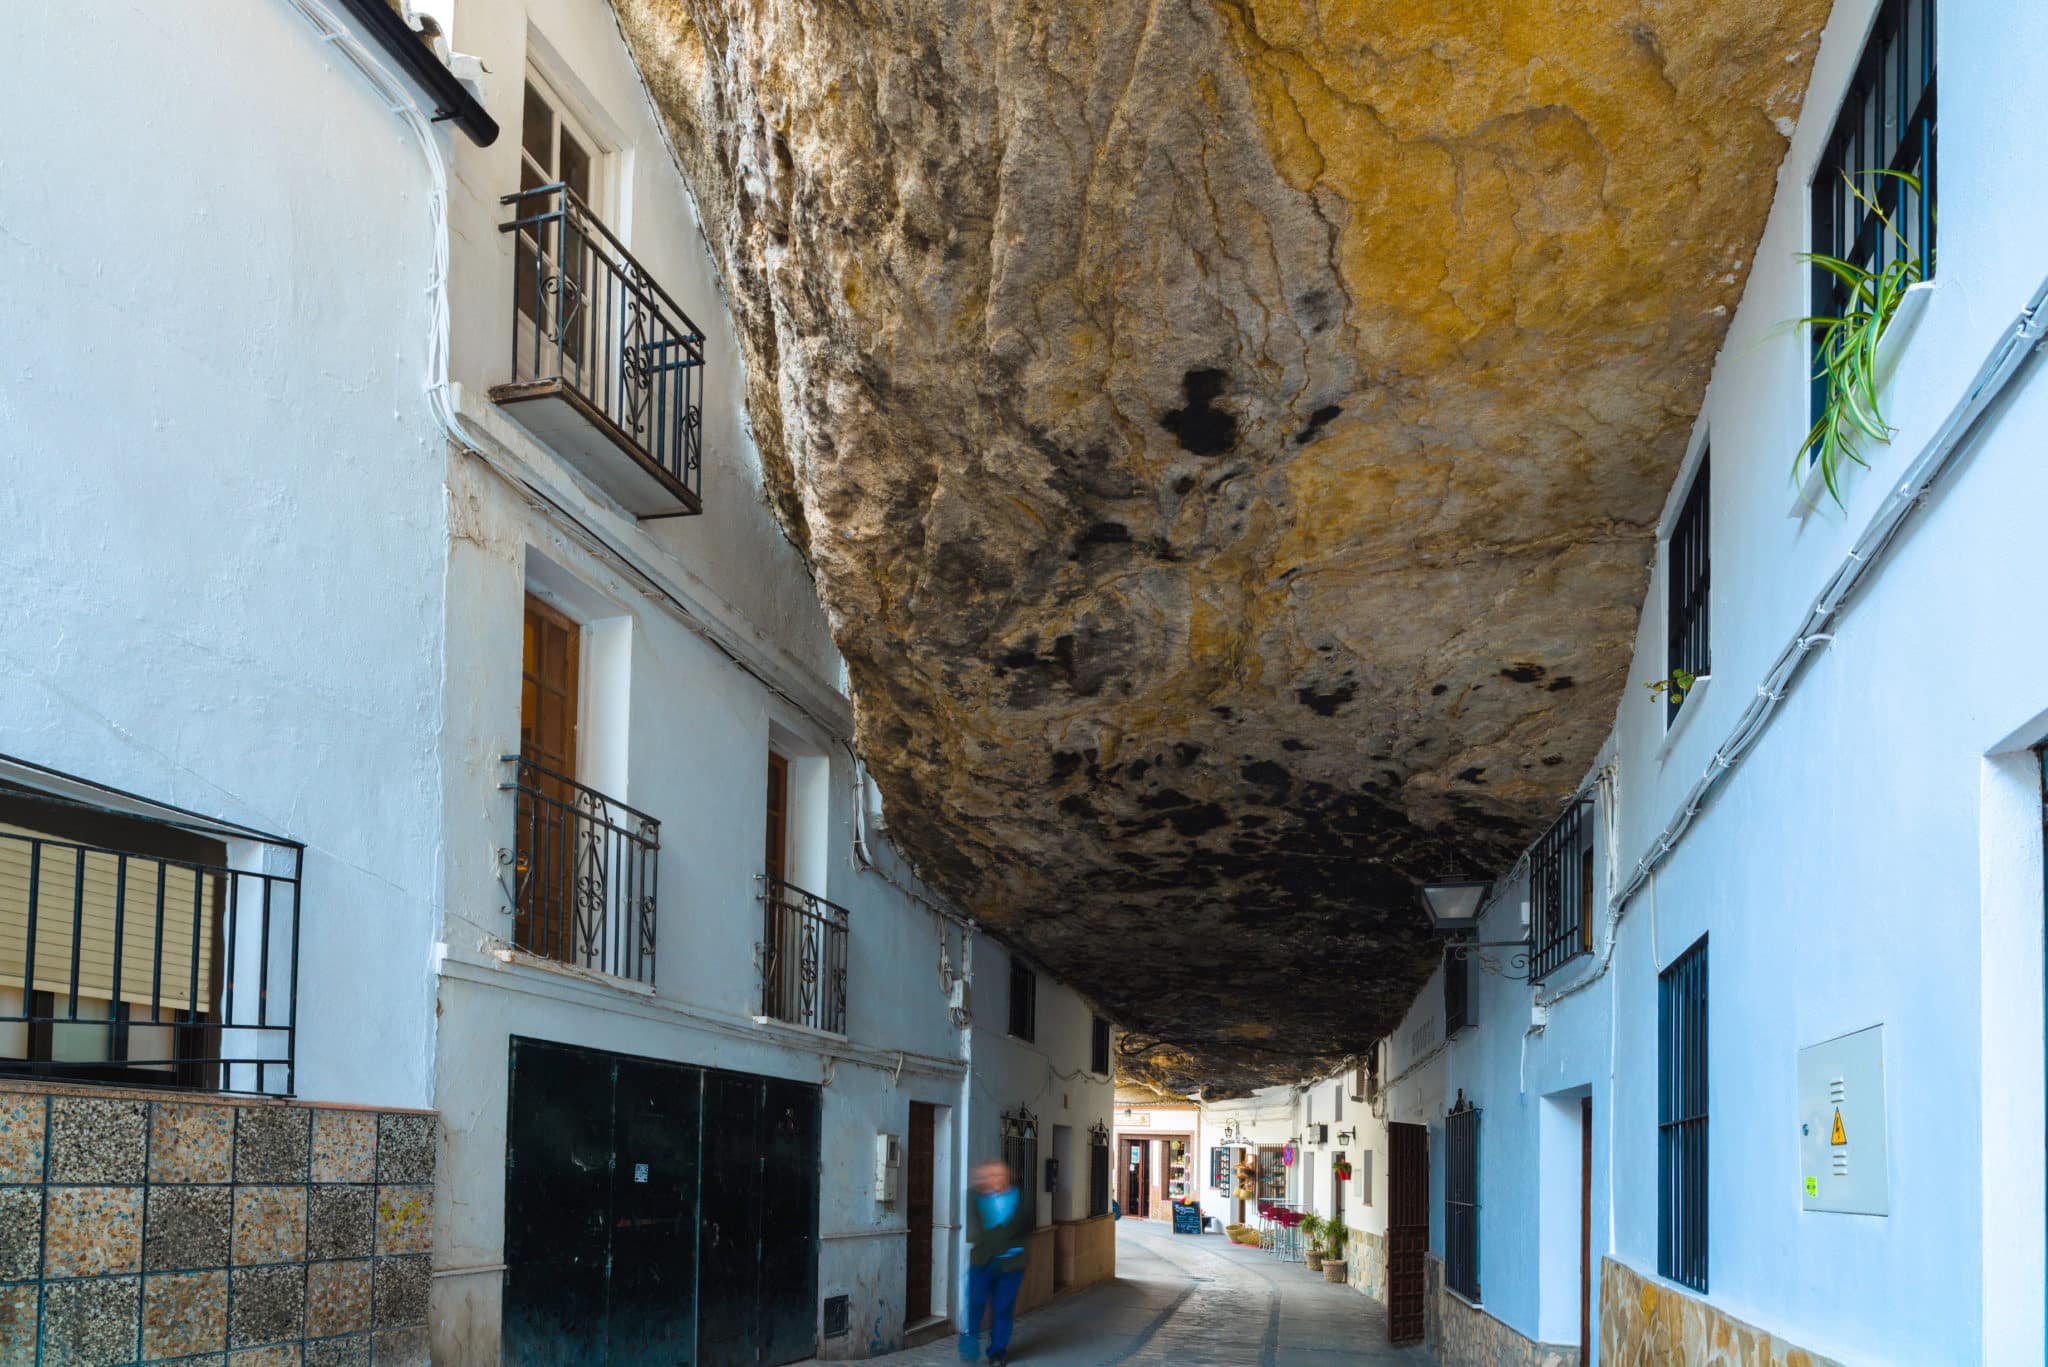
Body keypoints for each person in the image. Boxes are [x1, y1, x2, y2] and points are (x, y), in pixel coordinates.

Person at [961, 1159, 1031, 1365]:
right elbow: (978, 1226)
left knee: (1003, 1307)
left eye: (999, 1175)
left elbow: (1028, 1226)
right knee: (975, 1302)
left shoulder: (1022, 1199)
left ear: (1007, 1177)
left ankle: (998, 1351)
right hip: (983, 1261)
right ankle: (971, 1341)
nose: (994, 1179)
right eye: (990, 1175)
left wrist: (1011, 1244)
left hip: (1011, 1264)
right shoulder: (975, 1197)